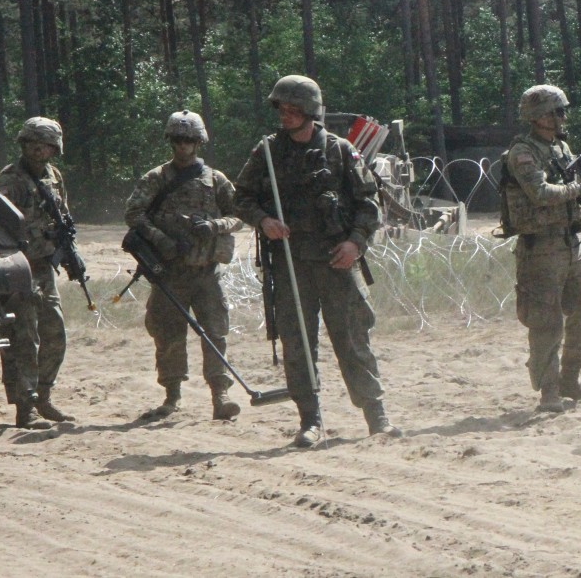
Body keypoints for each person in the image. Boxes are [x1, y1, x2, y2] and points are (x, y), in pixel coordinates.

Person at [233, 75, 399, 447]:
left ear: (310, 112)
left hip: (337, 261)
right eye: (281, 109)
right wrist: (263, 220)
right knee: (298, 344)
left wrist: (356, 243)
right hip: (290, 264)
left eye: (294, 110)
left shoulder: (340, 151)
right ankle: (310, 420)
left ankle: (377, 417)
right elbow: (240, 196)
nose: (286, 116)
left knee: (353, 339)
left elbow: (369, 204)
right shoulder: (267, 152)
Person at [123, 110, 245, 421]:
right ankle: (172, 397)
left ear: (199, 142)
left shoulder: (216, 179)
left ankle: (221, 395)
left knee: (215, 334)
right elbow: (135, 214)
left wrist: (214, 226)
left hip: (206, 273)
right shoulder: (155, 178)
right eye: (178, 139)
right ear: (170, 141)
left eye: (189, 140)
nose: (183, 146)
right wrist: (160, 239)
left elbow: (239, 216)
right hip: (170, 273)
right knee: (168, 335)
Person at [500, 84, 581, 413]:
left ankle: (570, 376)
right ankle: (549, 390)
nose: (562, 117)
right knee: (546, 321)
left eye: (562, 111)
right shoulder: (522, 152)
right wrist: (578, 190)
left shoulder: (561, 148)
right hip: (539, 247)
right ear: (538, 116)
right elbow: (540, 193)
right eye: (556, 111)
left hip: (569, 242)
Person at [0, 117, 75, 429]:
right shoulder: (9, 180)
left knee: (55, 332)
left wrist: (65, 250)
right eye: (32, 143)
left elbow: (63, 215)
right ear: (24, 144)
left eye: (45, 145)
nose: (38, 149)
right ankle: (24, 407)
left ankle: (44, 396)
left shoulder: (54, 177)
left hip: (43, 267)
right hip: (16, 269)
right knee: (23, 336)